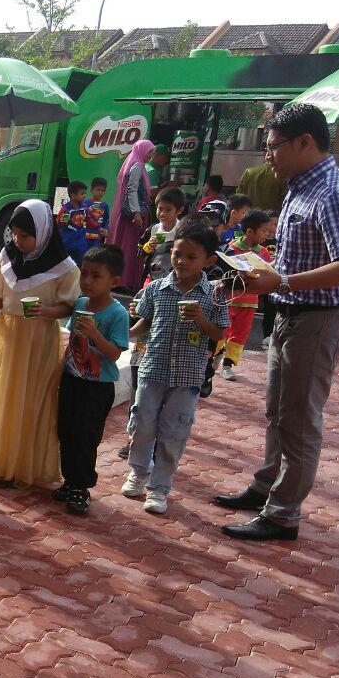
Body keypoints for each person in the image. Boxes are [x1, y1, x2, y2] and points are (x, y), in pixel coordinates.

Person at [216, 104, 339, 541]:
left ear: (305, 142)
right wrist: (248, 278)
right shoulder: (299, 187)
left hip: (321, 319)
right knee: (278, 412)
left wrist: (283, 281)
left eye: (273, 146)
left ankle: (283, 515)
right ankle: (267, 486)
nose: (267, 156)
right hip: (291, 314)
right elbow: (293, 259)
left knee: (299, 420)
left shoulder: (333, 192)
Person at [0, 200, 80, 486]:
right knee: (3, 395)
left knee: (31, 400)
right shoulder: (7, 258)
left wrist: (46, 311)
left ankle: (23, 466)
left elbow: (68, 306)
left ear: (44, 231)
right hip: (7, 336)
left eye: (25, 235)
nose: (18, 241)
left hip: (39, 339)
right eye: (14, 234)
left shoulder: (64, 268)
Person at [122, 219, 229, 515]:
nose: (181, 261)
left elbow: (220, 333)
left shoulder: (214, 296)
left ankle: (159, 487)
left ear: (208, 260)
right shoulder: (157, 288)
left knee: (173, 432)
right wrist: (124, 332)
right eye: (177, 254)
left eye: (191, 256)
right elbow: (144, 322)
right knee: (142, 425)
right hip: (152, 368)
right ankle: (138, 471)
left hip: (187, 376)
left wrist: (200, 319)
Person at [54, 244, 130, 515]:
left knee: (85, 437)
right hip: (72, 379)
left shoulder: (118, 314)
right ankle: (69, 480)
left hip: (96, 387)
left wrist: (95, 334)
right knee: (65, 431)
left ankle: (81, 487)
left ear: (114, 281)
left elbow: (114, 353)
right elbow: (72, 340)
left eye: (96, 276)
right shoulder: (80, 304)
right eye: (84, 273)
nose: (87, 281)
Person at [218, 210, 274, 380]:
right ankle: (212, 359)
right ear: (249, 231)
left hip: (250, 301)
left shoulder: (264, 252)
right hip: (229, 299)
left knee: (240, 334)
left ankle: (227, 365)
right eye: (264, 231)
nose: (267, 234)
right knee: (222, 330)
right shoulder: (231, 248)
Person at [107, 139, 156, 289]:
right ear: (142, 151)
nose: (151, 155)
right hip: (133, 216)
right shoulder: (137, 166)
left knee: (125, 244)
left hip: (129, 215)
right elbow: (132, 190)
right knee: (131, 246)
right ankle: (125, 280)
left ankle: (121, 279)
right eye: (149, 152)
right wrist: (136, 212)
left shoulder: (133, 163)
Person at [141, 187, 189, 286]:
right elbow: (140, 252)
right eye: (160, 209)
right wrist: (149, 246)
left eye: (168, 210)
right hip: (153, 276)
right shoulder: (153, 229)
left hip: (175, 278)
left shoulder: (182, 231)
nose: (162, 214)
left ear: (179, 210)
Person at [56, 180, 92, 264]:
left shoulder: (84, 207)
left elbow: (88, 220)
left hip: (81, 243)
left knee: (80, 264)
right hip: (68, 243)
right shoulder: (66, 209)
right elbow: (59, 224)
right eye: (82, 194)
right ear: (73, 195)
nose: (84, 196)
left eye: (85, 193)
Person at [85, 177, 110, 250]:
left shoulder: (105, 205)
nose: (100, 192)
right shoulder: (85, 204)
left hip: (97, 237)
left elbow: (106, 220)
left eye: (103, 190)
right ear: (91, 190)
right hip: (85, 237)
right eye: (98, 190)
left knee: (94, 254)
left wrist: (105, 229)